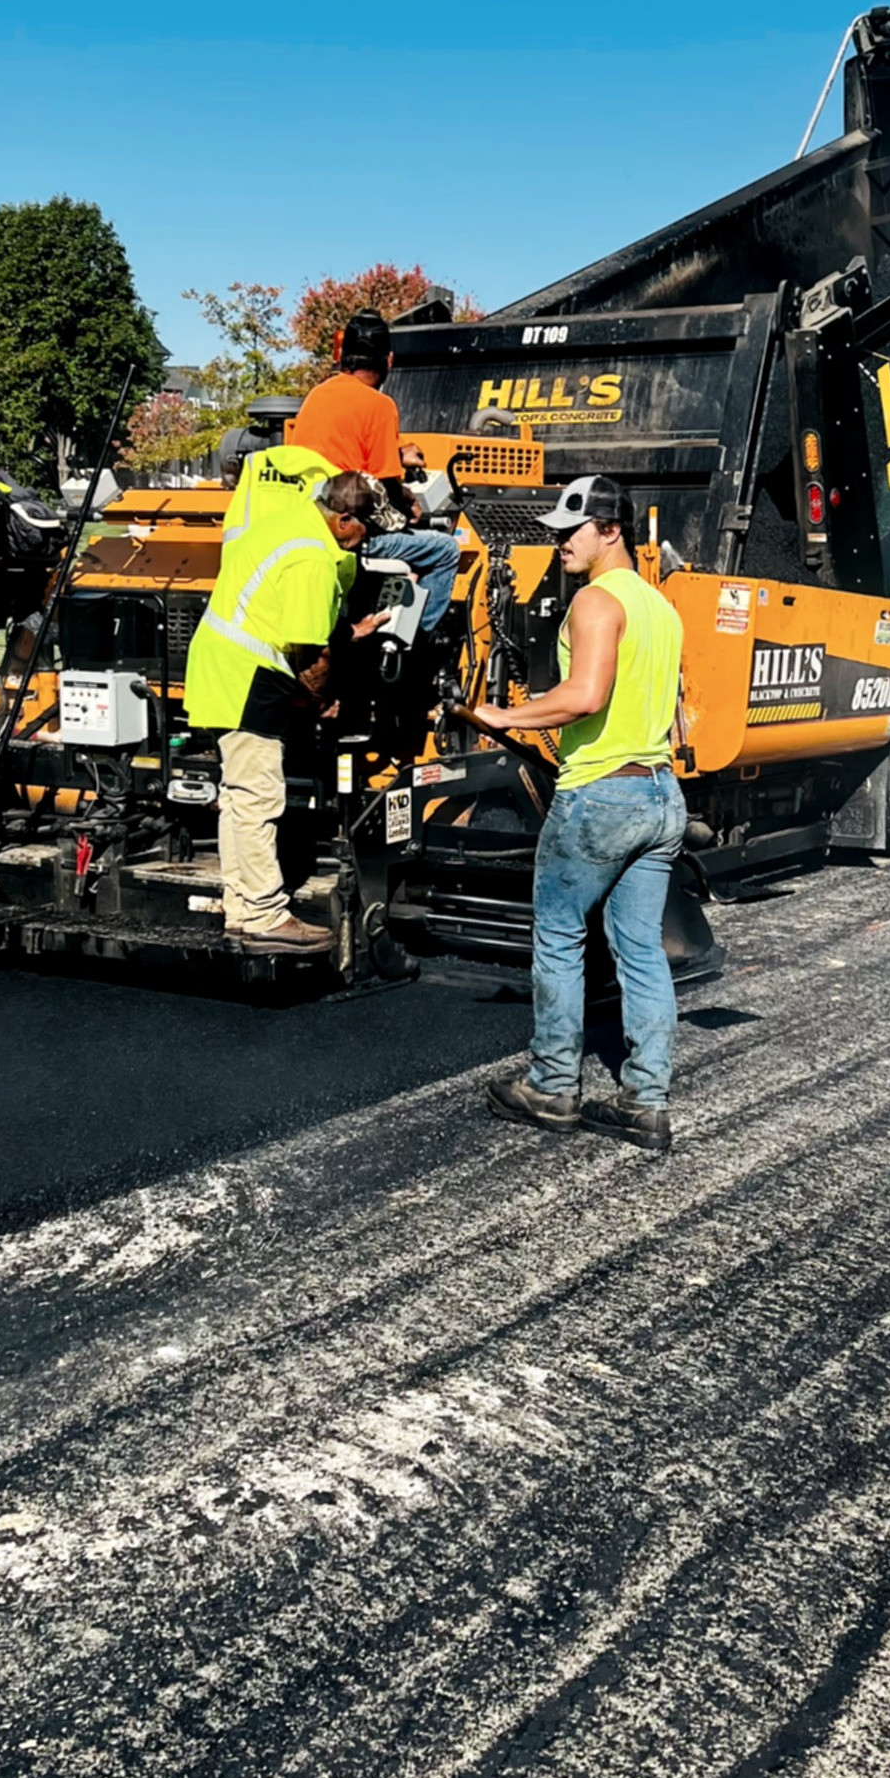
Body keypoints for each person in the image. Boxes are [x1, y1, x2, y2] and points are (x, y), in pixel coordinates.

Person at [467, 475, 686, 1149]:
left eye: (571, 528)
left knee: (560, 936)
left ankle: (553, 1086)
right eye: (556, 529)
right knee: (642, 950)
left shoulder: (596, 601)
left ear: (611, 529)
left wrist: (502, 713)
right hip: (659, 793)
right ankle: (646, 1102)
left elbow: (586, 695)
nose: (558, 539)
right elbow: (676, 716)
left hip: (601, 795)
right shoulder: (660, 608)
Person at [184, 466, 379, 955]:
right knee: (258, 797)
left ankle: (242, 907)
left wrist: (347, 634)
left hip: (225, 668)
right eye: (364, 526)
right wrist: (323, 701)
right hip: (247, 676)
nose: (366, 537)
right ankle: (267, 915)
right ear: (343, 520)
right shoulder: (313, 559)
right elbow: (310, 656)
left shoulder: (293, 521)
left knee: (238, 798)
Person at [289, 308, 462, 631]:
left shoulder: (316, 396)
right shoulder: (380, 406)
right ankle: (417, 644)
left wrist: (397, 451)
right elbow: (385, 481)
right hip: (356, 535)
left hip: (312, 524)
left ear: (342, 355)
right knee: (445, 549)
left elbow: (342, 452)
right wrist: (410, 500)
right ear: (389, 359)